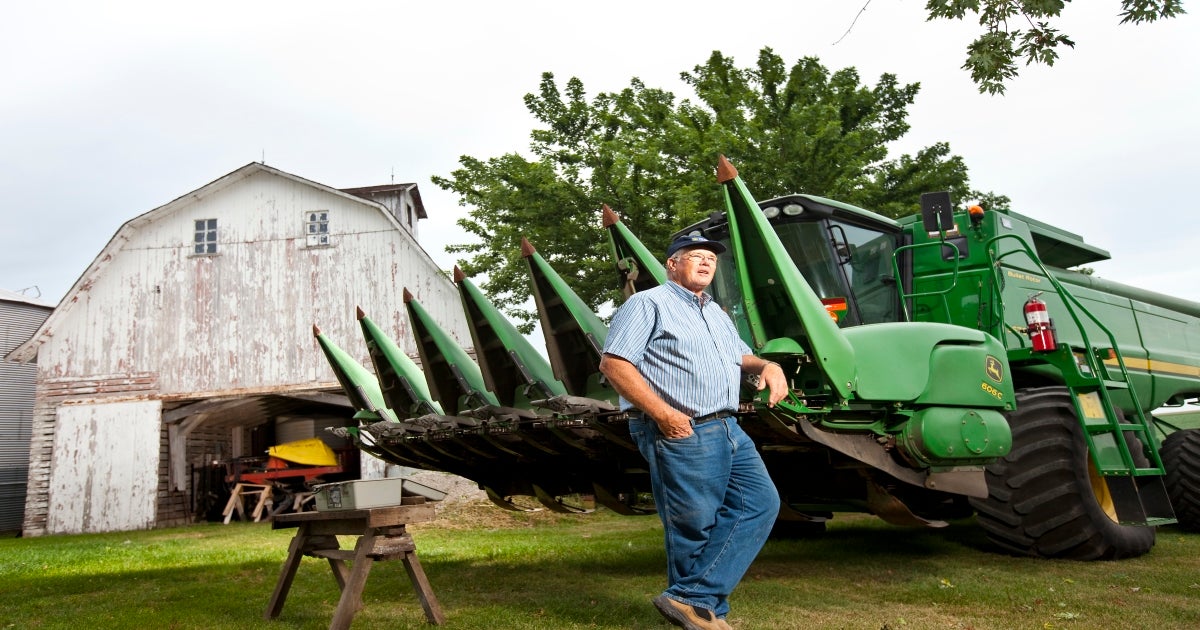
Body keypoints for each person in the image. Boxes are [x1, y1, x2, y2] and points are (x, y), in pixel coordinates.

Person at [599, 233, 786, 630]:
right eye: (696, 257)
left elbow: (737, 355)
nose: (705, 264)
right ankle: (705, 614)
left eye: (711, 260)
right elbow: (615, 365)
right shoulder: (648, 303)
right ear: (672, 264)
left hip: (728, 425)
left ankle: (693, 600)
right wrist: (665, 415)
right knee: (693, 525)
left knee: (760, 503)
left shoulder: (715, 312)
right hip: (681, 428)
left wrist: (766, 366)